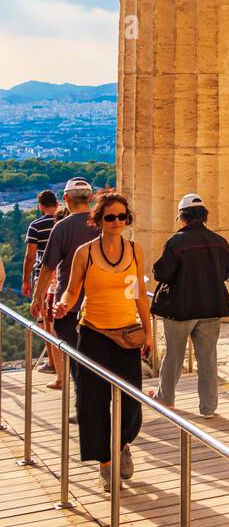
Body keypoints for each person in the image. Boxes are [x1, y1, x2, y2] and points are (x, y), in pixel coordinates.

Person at [55, 190, 152, 490]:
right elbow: (72, 291)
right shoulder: (85, 253)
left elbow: (139, 294)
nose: (117, 221)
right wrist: (63, 304)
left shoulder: (135, 250)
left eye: (122, 217)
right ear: (98, 220)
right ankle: (105, 464)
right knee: (94, 402)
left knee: (132, 398)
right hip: (94, 332)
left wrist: (148, 333)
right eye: (110, 217)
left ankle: (122, 443)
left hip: (126, 334)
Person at [150, 193, 229, 418]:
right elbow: (228, 270)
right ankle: (208, 408)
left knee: (174, 356)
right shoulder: (220, 241)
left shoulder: (176, 242)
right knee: (207, 358)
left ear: (182, 217)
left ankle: (165, 398)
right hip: (211, 307)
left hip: (180, 308)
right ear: (204, 216)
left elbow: (162, 272)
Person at [33, 178, 99, 416]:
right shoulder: (102, 223)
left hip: (68, 306)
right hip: (100, 303)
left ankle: (84, 407)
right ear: (90, 198)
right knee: (97, 358)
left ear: (66, 199)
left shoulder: (61, 227)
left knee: (77, 358)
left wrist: (38, 297)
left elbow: (48, 267)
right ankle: (100, 405)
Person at [22, 190, 61, 383]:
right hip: (64, 275)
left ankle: (53, 363)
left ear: (40, 206)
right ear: (56, 202)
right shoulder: (65, 221)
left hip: (44, 275)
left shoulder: (36, 225)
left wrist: (26, 280)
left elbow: (30, 257)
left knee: (45, 321)